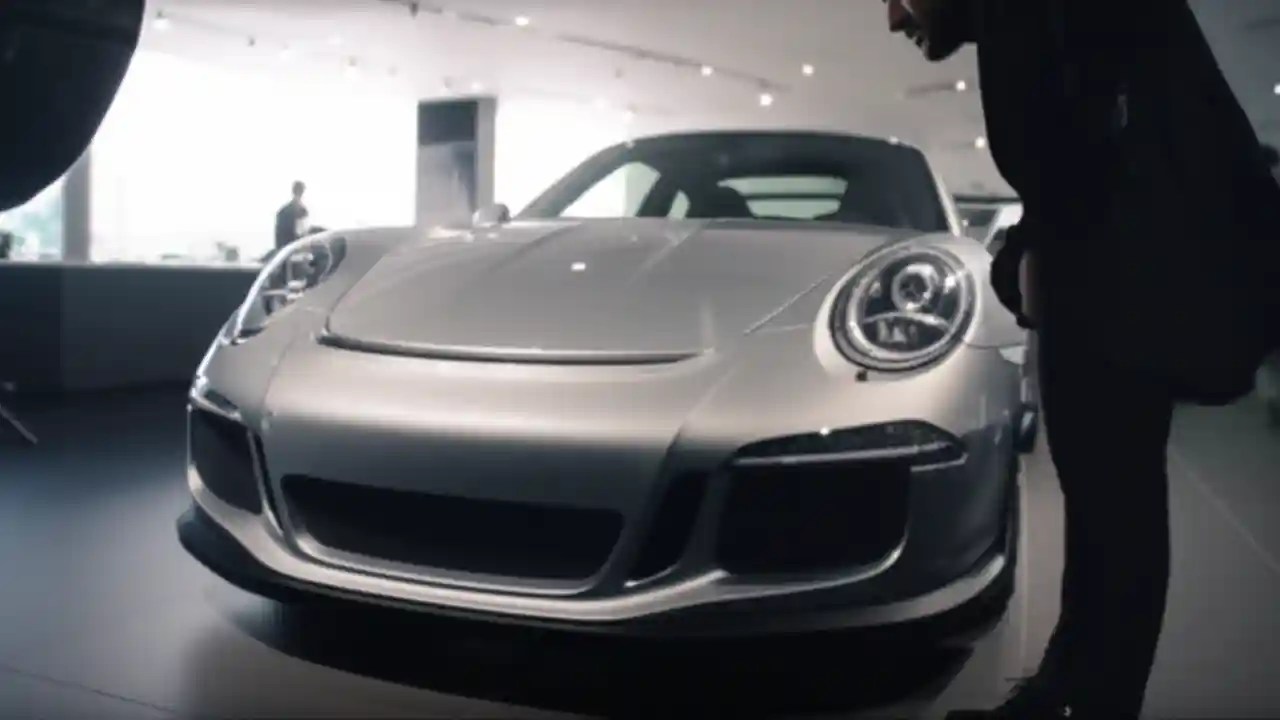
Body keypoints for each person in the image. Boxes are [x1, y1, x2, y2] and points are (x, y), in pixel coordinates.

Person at [883, 1, 1280, 718]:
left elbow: (1085, 143)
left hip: (1119, 284)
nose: (892, 17)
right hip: (1115, 277)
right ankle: (1069, 685)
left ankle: (1093, 699)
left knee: (1115, 510)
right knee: (1105, 508)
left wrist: (1035, 251)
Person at [274, 180, 309, 251]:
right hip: (293, 247)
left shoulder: (283, 210)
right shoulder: (299, 209)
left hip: (284, 248)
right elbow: (301, 232)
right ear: (301, 192)